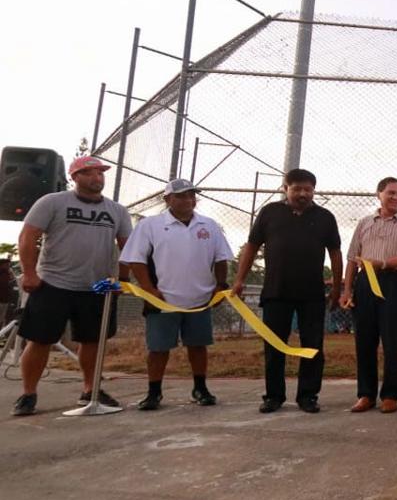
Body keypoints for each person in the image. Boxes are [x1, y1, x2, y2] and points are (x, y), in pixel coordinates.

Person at [11, 156, 132, 416]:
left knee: (92, 341)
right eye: (88, 173)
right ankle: (28, 394)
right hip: (53, 283)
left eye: (100, 173)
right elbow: (28, 236)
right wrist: (30, 274)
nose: (96, 177)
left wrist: (124, 280)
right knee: (40, 340)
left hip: (97, 287)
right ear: (75, 177)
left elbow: (127, 247)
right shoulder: (52, 202)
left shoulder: (117, 210)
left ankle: (90, 390)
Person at [232, 168, 342, 414]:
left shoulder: (325, 217)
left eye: (308, 189)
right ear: (285, 188)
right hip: (276, 292)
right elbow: (251, 246)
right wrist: (239, 279)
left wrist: (337, 287)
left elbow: (335, 253)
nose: (303, 193)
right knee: (273, 346)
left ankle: (308, 396)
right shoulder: (270, 213)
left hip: (312, 294)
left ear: (314, 190)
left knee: (313, 346)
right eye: (297, 189)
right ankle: (273, 396)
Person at [120, 179, 234, 411]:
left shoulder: (209, 225)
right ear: (167, 199)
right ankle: (154, 392)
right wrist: (149, 290)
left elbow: (221, 257)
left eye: (191, 195)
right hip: (163, 300)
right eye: (181, 196)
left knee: (198, 346)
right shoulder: (150, 225)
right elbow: (135, 259)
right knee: (158, 348)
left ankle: (200, 388)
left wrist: (220, 285)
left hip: (199, 300)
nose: (187, 200)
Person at [340, 177, 397, 414]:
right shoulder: (365, 223)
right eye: (391, 193)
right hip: (365, 283)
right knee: (364, 340)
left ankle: (390, 394)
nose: (396, 197)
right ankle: (366, 394)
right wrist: (347, 290)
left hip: (394, 281)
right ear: (379, 194)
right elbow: (353, 259)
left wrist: (383, 263)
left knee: (392, 341)